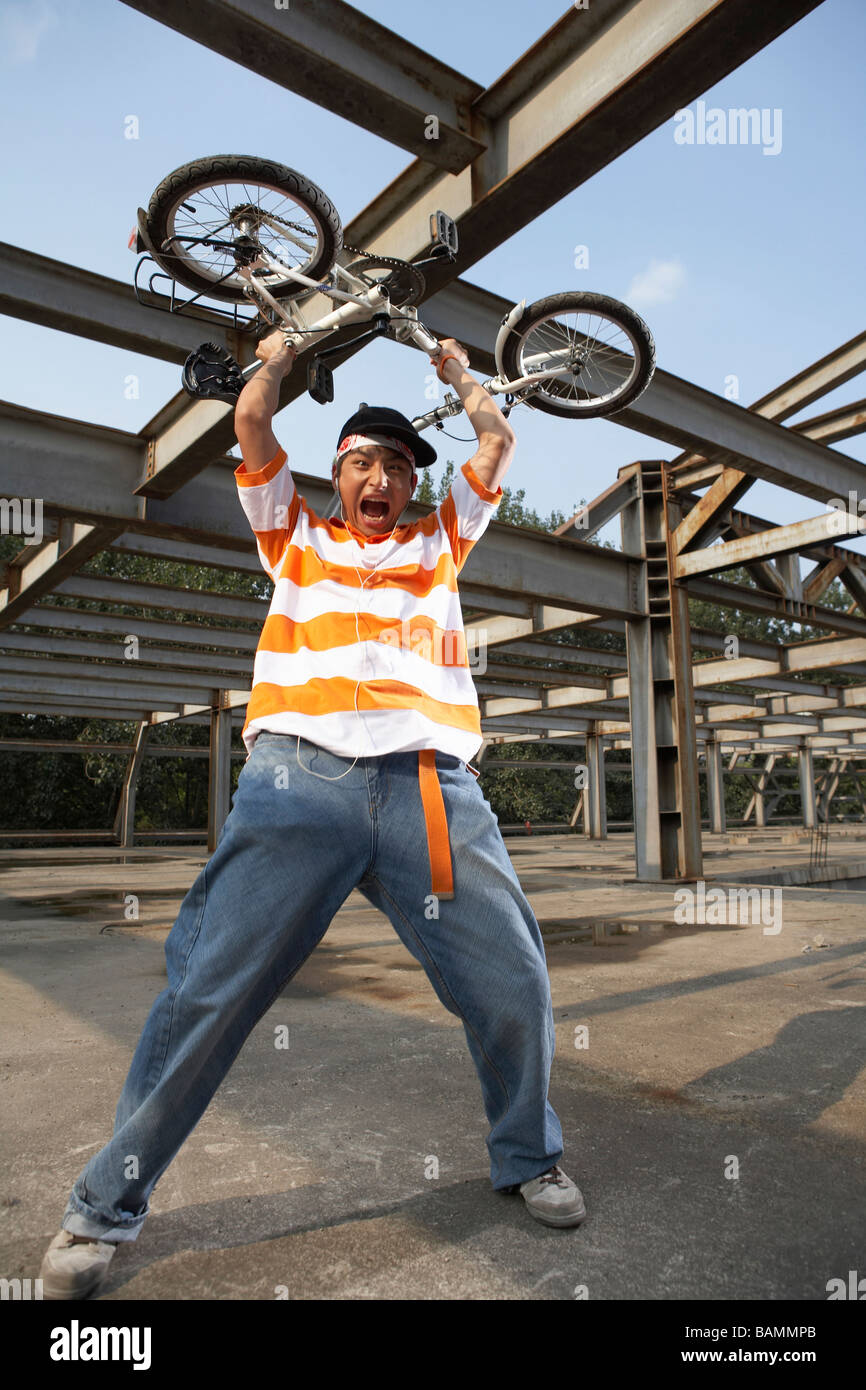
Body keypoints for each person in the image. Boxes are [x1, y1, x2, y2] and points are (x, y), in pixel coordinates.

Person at [39, 329, 585, 1300]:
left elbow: (493, 446)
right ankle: (101, 1208)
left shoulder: (438, 540)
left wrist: (461, 380)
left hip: (428, 786)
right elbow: (250, 420)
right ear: (337, 475)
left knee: (513, 979)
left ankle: (527, 1154)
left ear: (415, 484)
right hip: (299, 782)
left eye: (397, 466)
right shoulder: (293, 533)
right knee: (208, 989)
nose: (379, 476)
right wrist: (279, 358)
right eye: (361, 462)